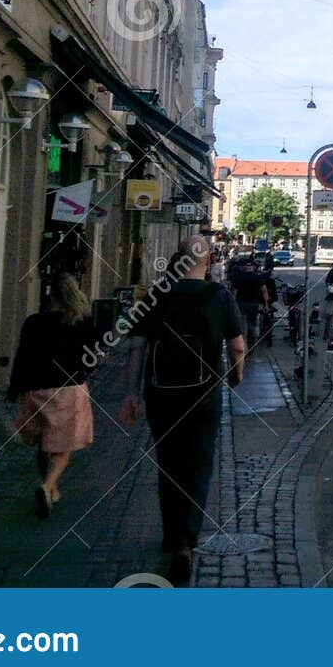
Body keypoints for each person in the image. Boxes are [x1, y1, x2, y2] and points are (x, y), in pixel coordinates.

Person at [120, 235, 246, 586]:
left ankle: (170, 534)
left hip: (161, 393)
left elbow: (136, 346)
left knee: (169, 463)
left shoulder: (157, 295)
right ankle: (185, 543)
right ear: (208, 262)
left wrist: (131, 393)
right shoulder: (219, 296)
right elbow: (236, 346)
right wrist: (236, 375)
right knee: (199, 465)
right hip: (203, 395)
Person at [8, 274, 99, 519]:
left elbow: (22, 357)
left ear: (50, 296)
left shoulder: (33, 322)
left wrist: (15, 389)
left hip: (36, 390)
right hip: (68, 389)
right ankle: (48, 485)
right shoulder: (81, 322)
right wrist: (83, 371)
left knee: (43, 441)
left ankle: (52, 488)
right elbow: (91, 357)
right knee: (63, 444)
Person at [231, 255, 265, 341]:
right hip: (254, 304)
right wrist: (266, 304)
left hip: (242, 304)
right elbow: (264, 291)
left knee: (243, 327)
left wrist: (233, 305)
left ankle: (245, 349)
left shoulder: (238, 277)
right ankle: (252, 346)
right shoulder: (258, 277)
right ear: (253, 267)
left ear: (244, 267)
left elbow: (234, 293)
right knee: (252, 325)